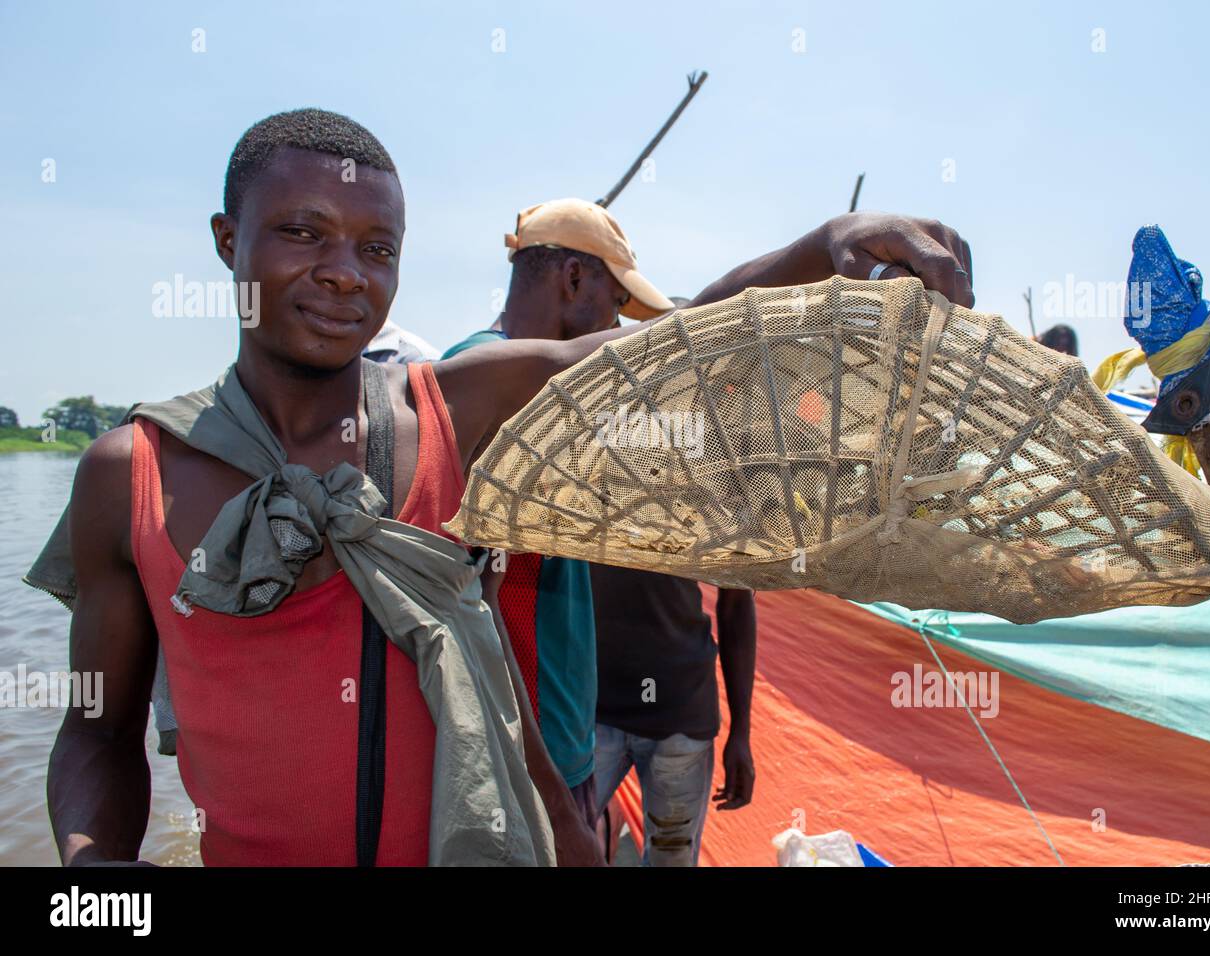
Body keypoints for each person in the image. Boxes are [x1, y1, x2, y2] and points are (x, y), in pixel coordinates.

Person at [39, 106, 976, 867]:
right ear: (225, 240)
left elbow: (662, 347)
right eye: (301, 232)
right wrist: (94, 882)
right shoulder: (132, 473)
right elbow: (95, 732)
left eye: (379, 248)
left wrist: (826, 243)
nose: (344, 273)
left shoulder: (448, 410)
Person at [439, 199, 675, 832]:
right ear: (573, 279)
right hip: (520, 765)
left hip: (557, 755)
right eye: (615, 303)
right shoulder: (492, 392)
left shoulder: (544, 399)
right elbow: (477, 620)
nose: (615, 324)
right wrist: (556, 806)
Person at [590, 567, 756, 866]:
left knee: (671, 859)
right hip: (590, 707)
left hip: (679, 715)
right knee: (558, 839)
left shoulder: (716, 519)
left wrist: (741, 732)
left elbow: (736, 603)